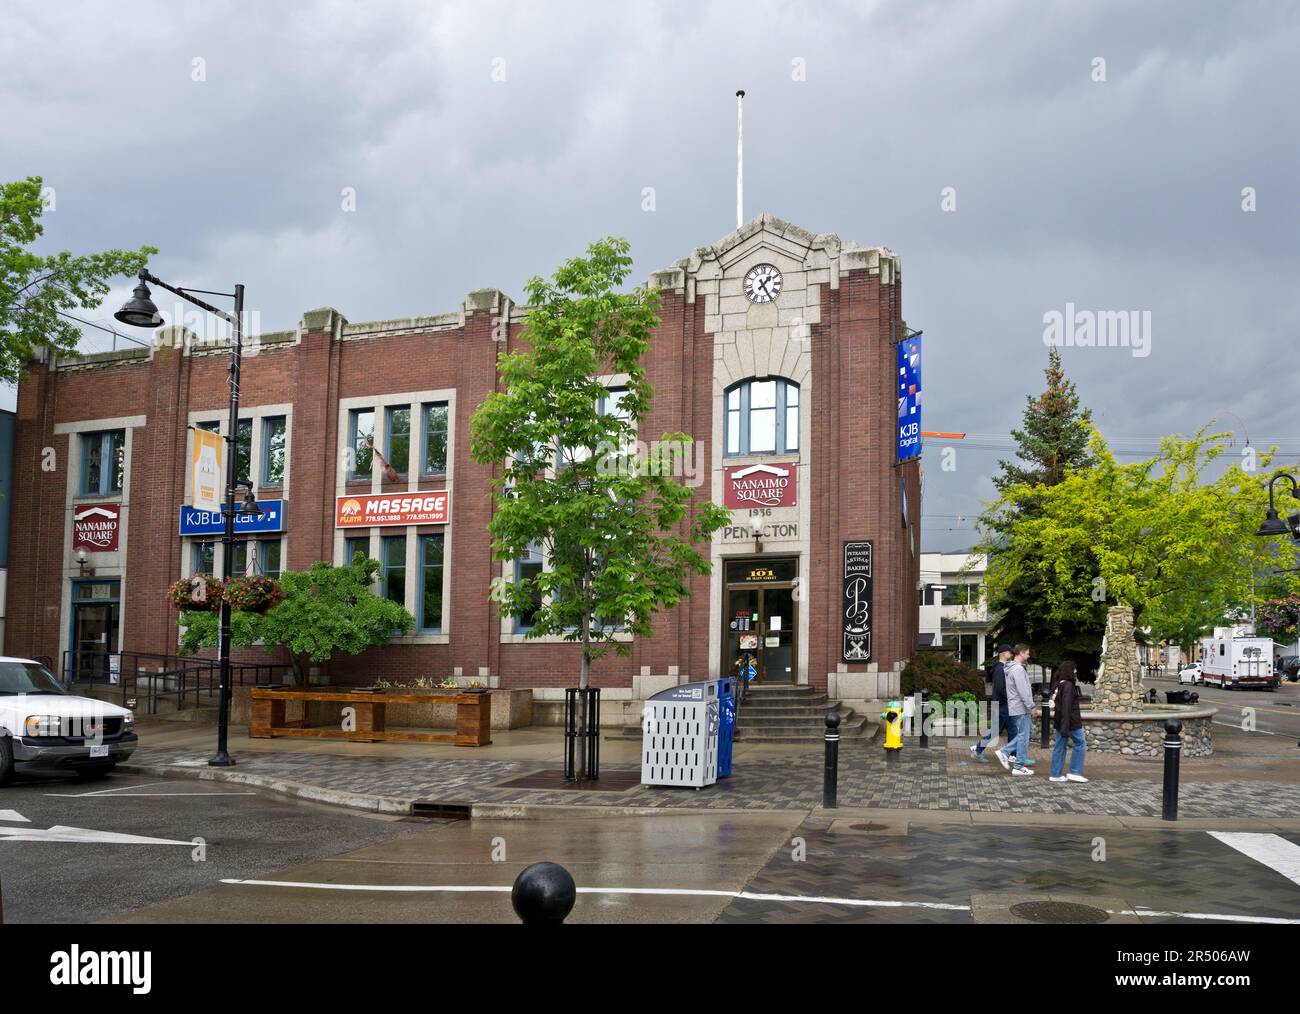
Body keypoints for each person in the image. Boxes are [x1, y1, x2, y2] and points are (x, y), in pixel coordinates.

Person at [995, 644, 1036, 775]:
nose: (1029, 655)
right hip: (1021, 707)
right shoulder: (1017, 669)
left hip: (1017, 707)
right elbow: (1023, 691)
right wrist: (1031, 706)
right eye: (1028, 653)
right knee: (1024, 736)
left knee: (1025, 735)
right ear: (1021, 653)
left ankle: (1014, 761)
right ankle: (1013, 761)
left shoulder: (1013, 668)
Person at [970, 645, 1013, 763]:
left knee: (1003, 730)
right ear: (1003, 653)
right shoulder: (1000, 668)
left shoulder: (1000, 667)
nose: (1011, 654)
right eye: (1009, 652)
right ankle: (1011, 754)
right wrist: (1010, 698)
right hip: (1002, 704)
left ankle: (978, 748)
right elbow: (1000, 688)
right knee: (1009, 730)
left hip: (1000, 704)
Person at [1048, 661, 1088, 783]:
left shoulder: (1058, 685)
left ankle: (1055, 774)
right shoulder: (1069, 686)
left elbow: (1058, 706)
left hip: (1061, 721)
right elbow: (1066, 707)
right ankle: (1075, 772)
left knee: (1060, 747)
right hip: (1071, 722)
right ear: (1069, 670)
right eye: (1074, 669)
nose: (1076, 671)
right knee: (1081, 744)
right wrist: (1066, 726)